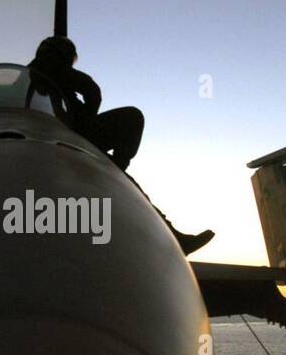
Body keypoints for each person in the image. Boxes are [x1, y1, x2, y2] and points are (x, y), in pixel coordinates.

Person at [28, 36, 213, 256]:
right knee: (132, 118)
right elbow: (92, 91)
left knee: (125, 179)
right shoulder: (49, 67)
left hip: (56, 135)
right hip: (71, 134)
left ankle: (173, 236)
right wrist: (85, 119)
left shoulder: (31, 75)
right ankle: (172, 236)